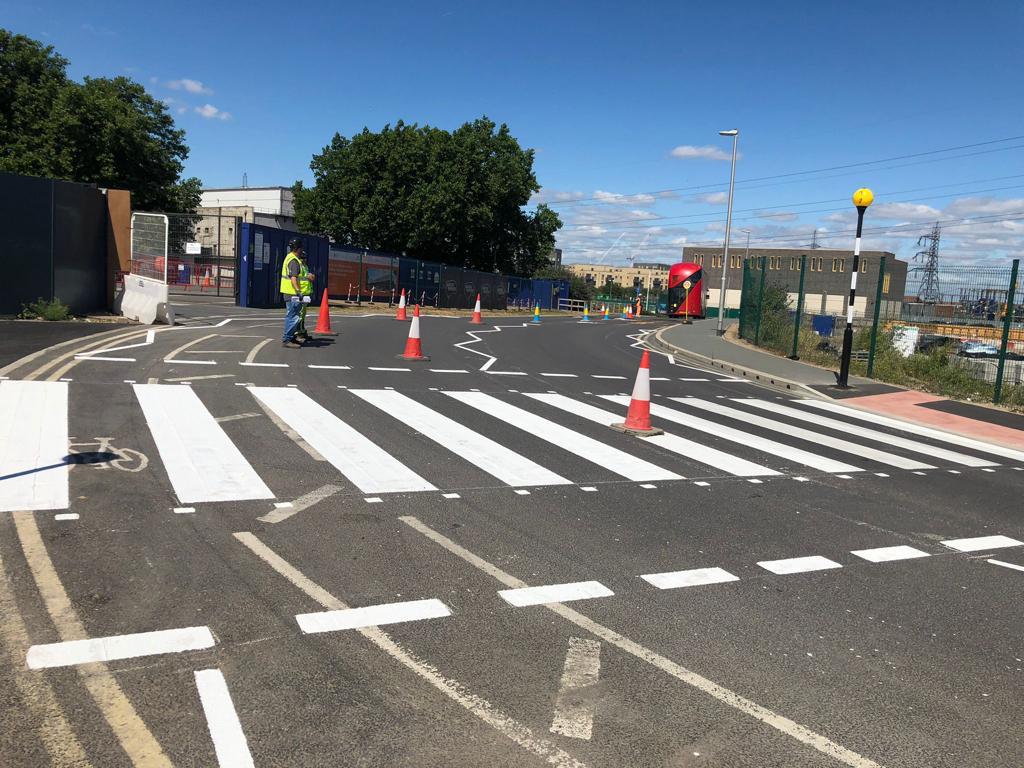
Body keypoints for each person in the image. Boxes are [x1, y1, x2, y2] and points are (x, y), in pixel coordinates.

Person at [280, 238, 306, 348]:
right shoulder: (294, 261)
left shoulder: (289, 257)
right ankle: (287, 339)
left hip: (289, 292)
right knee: (293, 316)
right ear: (298, 249)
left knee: (293, 315)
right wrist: (298, 291)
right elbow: (293, 278)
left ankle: (291, 337)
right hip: (292, 293)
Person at [294, 248, 315, 342]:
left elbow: (306, 278)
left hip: (306, 293)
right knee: (299, 313)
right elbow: (297, 278)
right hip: (300, 293)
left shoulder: (305, 266)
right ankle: (298, 332)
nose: (303, 259)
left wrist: (310, 277)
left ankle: (302, 331)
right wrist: (308, 276)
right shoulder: (298, 266)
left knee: (303, 314)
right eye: (302, 258)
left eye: (305, 258)